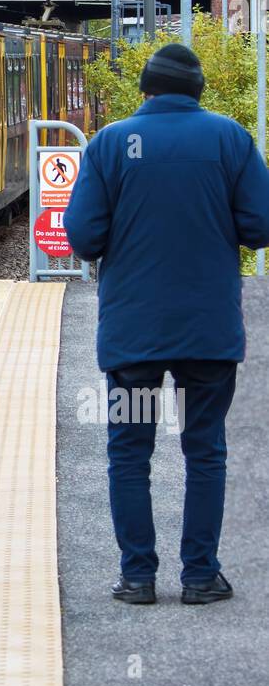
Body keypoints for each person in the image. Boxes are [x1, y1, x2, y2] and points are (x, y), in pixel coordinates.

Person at [63, 43, 269, 606]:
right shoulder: (230, 139)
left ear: (146, 91)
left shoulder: (109, 143)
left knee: (130, 451)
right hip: (208, 333)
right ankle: (200, 576)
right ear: (198, 91)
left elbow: (82, 237)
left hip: (133, 336)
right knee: (205, 450)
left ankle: (137, 577)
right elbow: (261, 226)